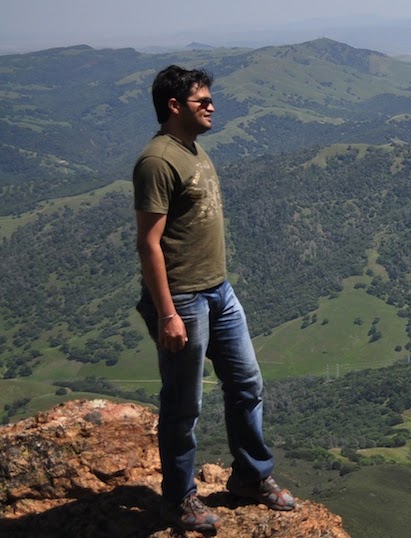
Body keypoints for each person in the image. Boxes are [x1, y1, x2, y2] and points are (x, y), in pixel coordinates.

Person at [133, 65, 295, 532]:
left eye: (210, 98)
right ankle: (180, 498)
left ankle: (250, 477)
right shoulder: (158, 161)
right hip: (183, 300)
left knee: (247, 385)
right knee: (184, 404)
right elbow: (148, 243)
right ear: (174, 105)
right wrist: (167, 313)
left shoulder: (193, 151)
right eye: (202, 100)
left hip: (220, 292)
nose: (211, 106)